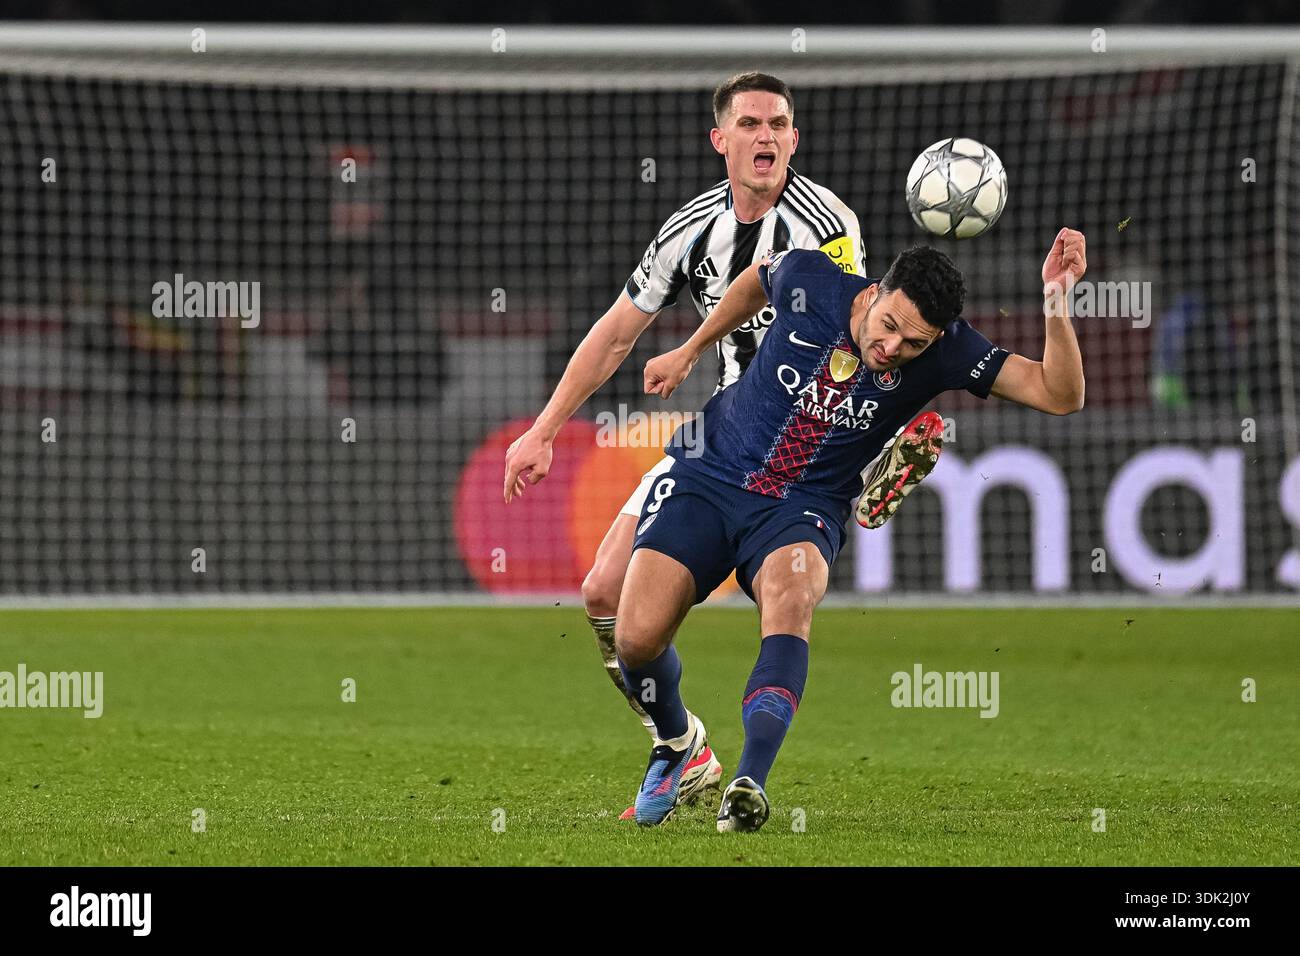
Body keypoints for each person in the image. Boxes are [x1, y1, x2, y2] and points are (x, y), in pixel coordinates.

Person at [503, 72, 911, 818]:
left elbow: (866, 335)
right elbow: (618, 332)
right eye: (751, 124)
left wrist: (878, 433)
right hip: (722, 439)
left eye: (780, 124)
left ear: (794, 138)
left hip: (801, 454)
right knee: (600, 592)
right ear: (720, 139)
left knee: (785, 601)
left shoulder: (829, 225)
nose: (767, 136)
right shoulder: (691, 226)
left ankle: (744, 769)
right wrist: (544, 428)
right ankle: (681, 744)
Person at [619, 228, 1087, 829]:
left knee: (792, 598)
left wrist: (1056, 298)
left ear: (937, 339)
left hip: (801, 507)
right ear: (877, 290)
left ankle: (748, 784)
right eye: (888, 325)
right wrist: (690, 348)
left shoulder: (949, 352)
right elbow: (754, 283)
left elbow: (1060, 394)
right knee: (635, 638)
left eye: (913, 343)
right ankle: (679, 744)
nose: (892, 347)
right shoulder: (812, 279)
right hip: (712, 470)